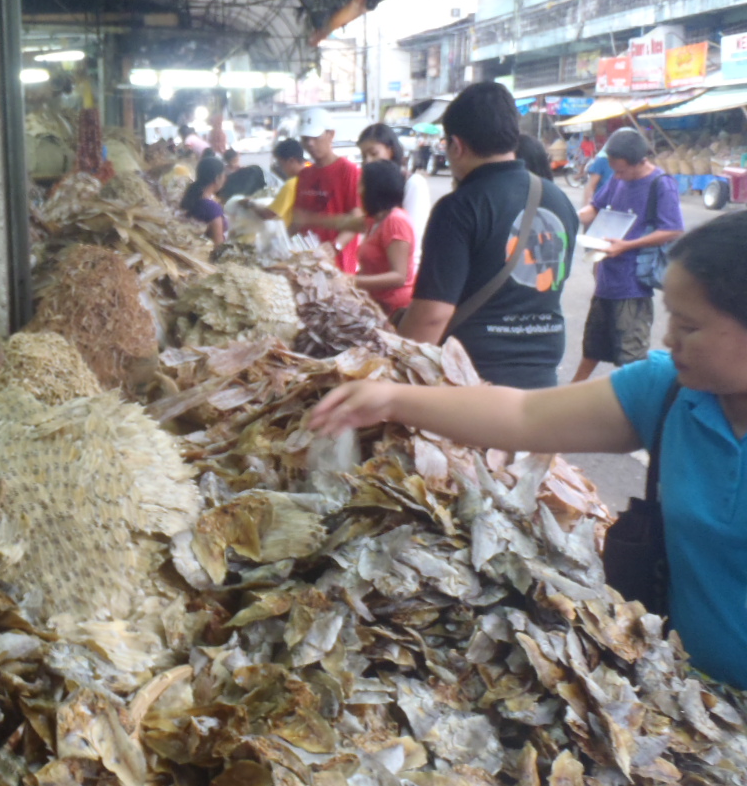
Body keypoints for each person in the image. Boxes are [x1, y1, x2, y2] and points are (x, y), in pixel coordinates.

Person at [308, 216, 747, 690]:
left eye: (688, 325)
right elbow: (526, 415)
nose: (668, 338)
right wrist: (392, 399)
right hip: (692, 693)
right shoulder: (670, 391)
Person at [403, 82, 578, 389]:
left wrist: (395, 372)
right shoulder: (558, 199)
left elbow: (432, 316)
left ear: (456, 145)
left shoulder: (459, 207)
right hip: (542, 376)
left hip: (472, 380)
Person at [572, 128, 684, 382]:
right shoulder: (618, 179)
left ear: (640, 161)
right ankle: (567, 393)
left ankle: (636, 411)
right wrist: (565, 222)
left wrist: (626, 245)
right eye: (614, 170)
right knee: (593, 346)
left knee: (631, 357)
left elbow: (674, 229)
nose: (618, 176)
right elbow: (595, 208)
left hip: (633, 284)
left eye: (621, 170)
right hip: (606, 277)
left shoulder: (661, 184)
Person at [290, 107, 363, 273]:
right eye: (305, 138)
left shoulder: (349, 171)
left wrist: (336, 245)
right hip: (307, 263)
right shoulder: (305, 175)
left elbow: (357, 217)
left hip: (337, 264)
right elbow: (298, 219)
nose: (310, 143)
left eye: (315, 137)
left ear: (331, 134)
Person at [358, 123, 431, 268]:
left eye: (374, 153)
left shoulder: (413, 183)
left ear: (390, 150)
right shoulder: (373, 187)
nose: (368, 161)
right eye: (363, 156)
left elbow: (414, 240)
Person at [355, 160, 416, 317]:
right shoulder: (375, 220)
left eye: (362, 185)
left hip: (393, 309)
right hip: (377, 304)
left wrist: (350, 281)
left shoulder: (395, 221)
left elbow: (398, 277)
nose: (358, 191)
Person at [180, 155, 228, 243]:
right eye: (224, 175)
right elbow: (218, 245)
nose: (225, 179)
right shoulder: (212, 208)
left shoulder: (191, 197)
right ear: (217, 178)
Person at [267, 139, 308, 230]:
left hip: (292, 235)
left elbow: (271, 214)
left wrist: (251, 205)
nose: (281, 169)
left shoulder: (291, 184)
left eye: (281, 165)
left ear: (291, 161)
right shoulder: (309, 179)